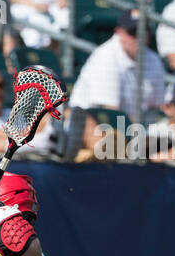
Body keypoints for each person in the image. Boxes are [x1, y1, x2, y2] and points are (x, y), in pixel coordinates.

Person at [70, 10, 167, 153]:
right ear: (119, 32)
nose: (139, 39)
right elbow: (110, 113)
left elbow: (158, 107)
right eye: (134, 33)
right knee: (109, 139)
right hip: (94, 128)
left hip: (134, 130)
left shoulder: (153, 60)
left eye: (143, 34)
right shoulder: (106, 56)